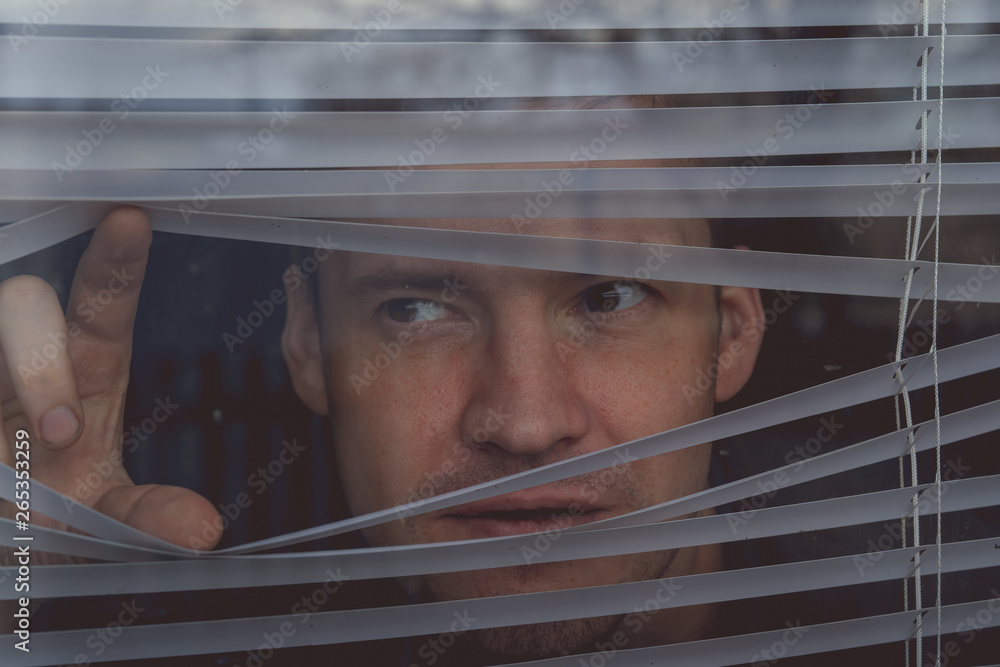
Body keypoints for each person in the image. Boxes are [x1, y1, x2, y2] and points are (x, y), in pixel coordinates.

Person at [0, 100, 766, 663]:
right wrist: (23, 596)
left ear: (732, 333)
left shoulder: (882, 615)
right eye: (416, 308)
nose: (526, 421)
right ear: (305, 342)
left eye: (609, 297)